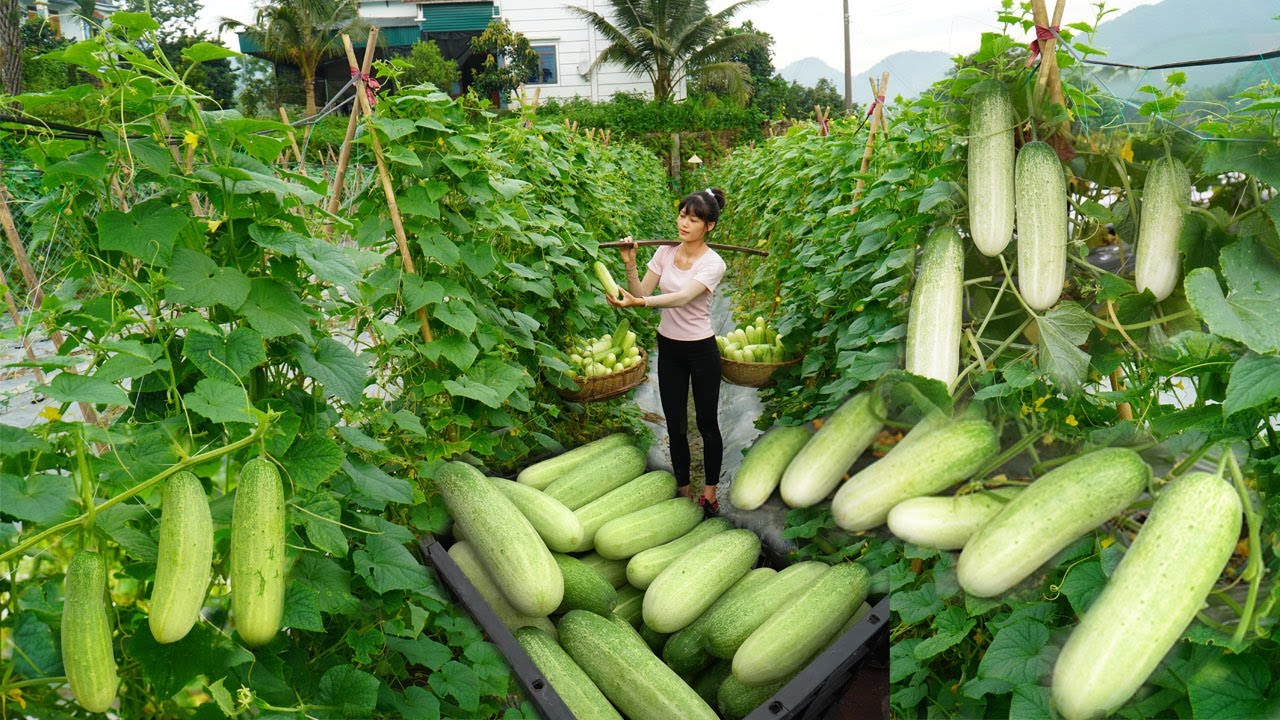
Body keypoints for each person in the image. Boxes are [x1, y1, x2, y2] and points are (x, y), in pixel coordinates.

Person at [607, 187, 729, 511]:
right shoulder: (664, 251)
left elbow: (682, 296)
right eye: (682, 215)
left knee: (706, 424)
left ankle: (711, 492)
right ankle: (684, 488)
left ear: (709, 227)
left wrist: (641, 301)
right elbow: (641, 291)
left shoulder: (714, 263)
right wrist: (630, 265)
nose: (684, 223)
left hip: (701, 349)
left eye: (693, 219)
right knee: (674, 423)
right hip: (669, 347)